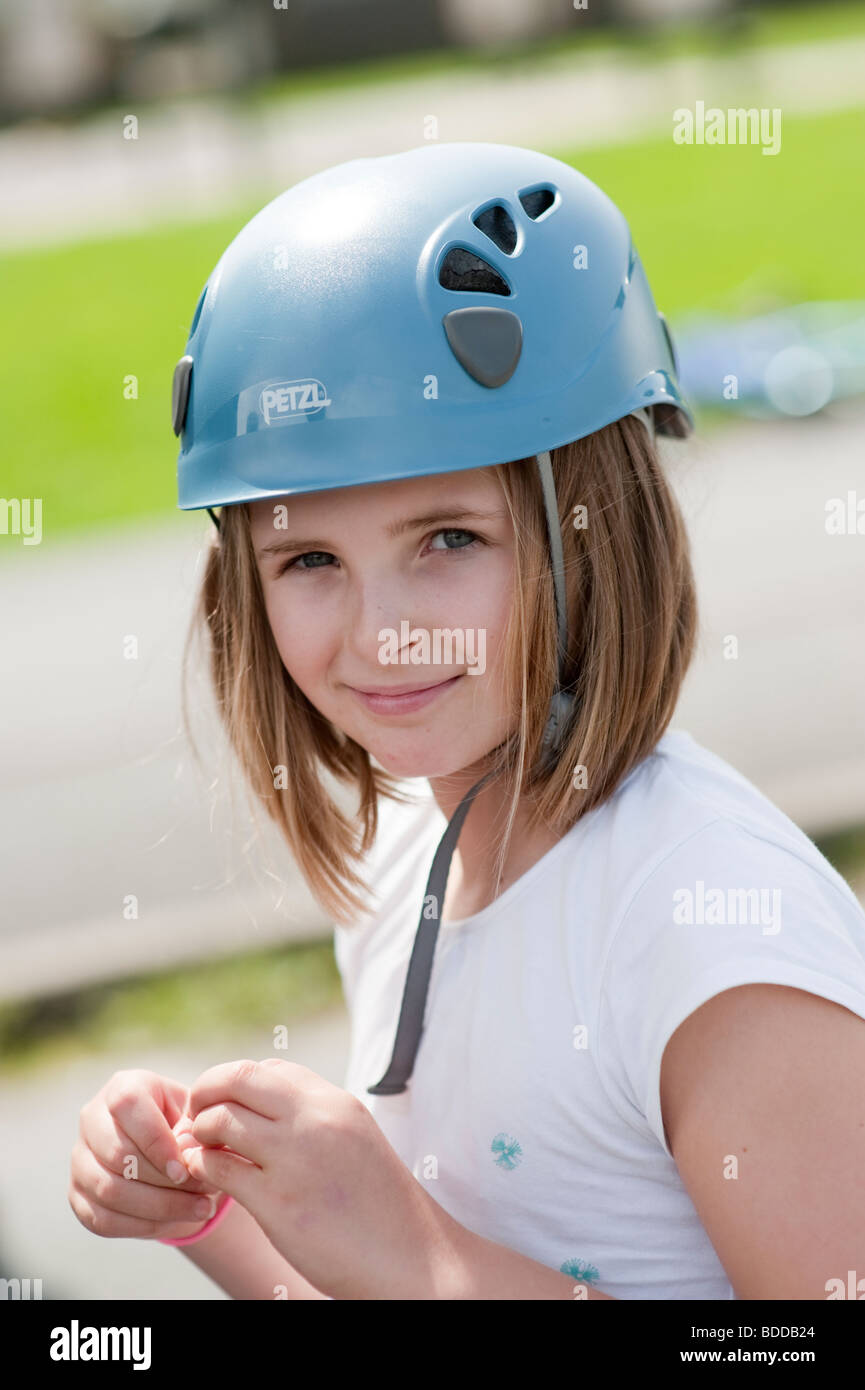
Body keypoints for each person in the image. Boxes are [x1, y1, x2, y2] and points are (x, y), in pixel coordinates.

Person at [69, 142, 865, 1301]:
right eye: (307, 559)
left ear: (598, 533)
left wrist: (419, 1254)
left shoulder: (707, 935)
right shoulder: (412, 848)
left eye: (448, 540)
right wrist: (216, 1209)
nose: (380, 632)